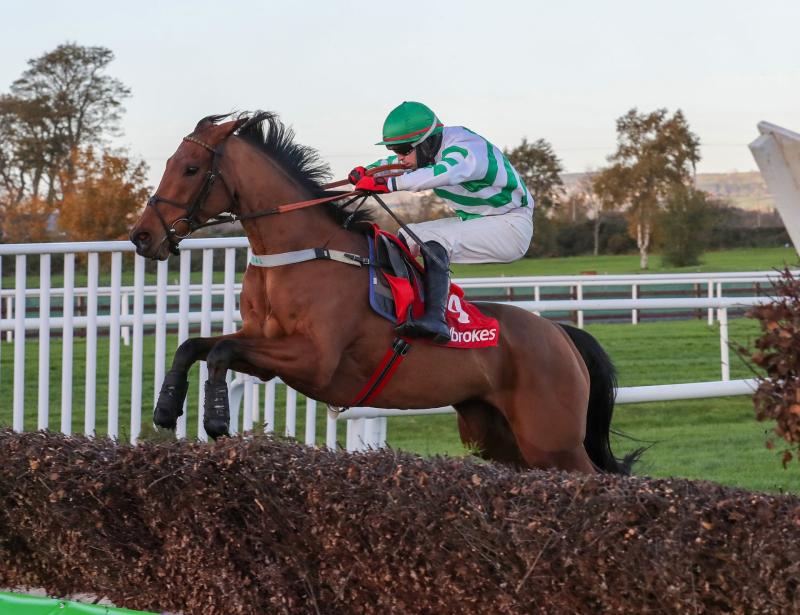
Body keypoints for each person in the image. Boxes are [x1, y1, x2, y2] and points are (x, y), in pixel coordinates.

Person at [349, 101, 533, 344]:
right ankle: (407, 307)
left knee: (435, 240)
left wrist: (388, 185)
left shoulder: (465, 148)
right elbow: (394, 167)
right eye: (395, 150)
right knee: (406, 237)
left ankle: (436, 319)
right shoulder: (426, 152)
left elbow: (444, 172)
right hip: (479, 222)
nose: (400, 157)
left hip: (511, 226)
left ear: (428, 141)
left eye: (404, 149)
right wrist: (368, 172)